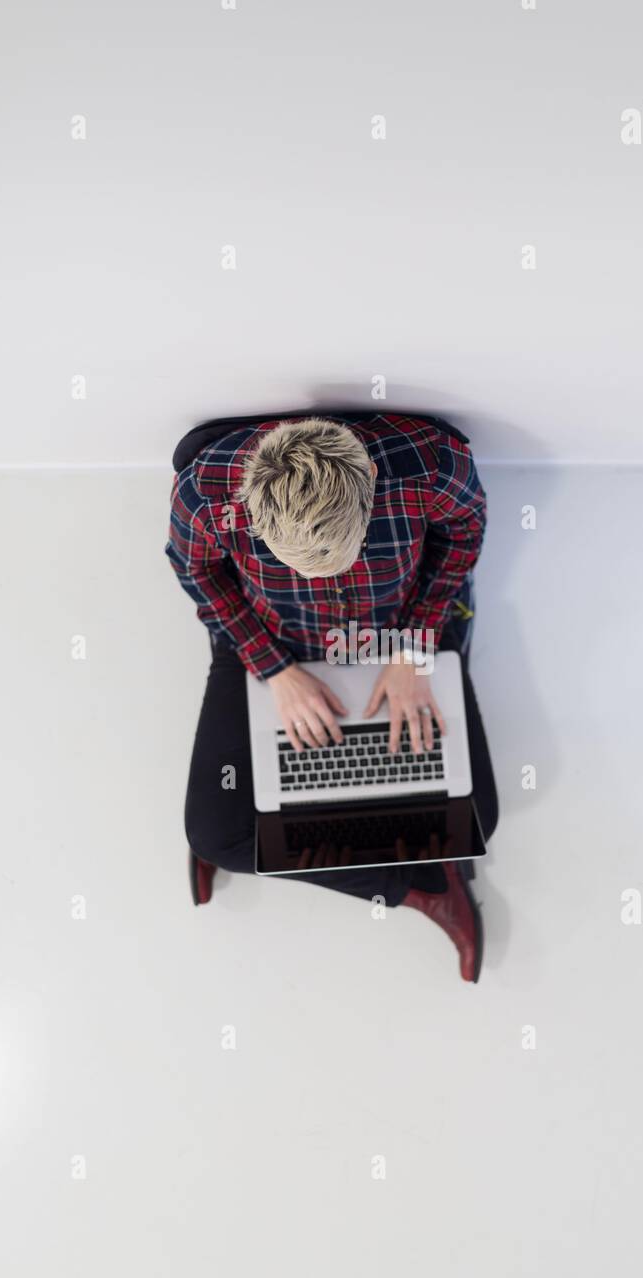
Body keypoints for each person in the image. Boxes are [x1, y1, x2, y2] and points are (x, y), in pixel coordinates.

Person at [166, 413, 498, 982]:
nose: (321, 581)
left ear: (371, 476)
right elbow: (194, 570)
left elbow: (464, 535)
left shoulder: (435, 465)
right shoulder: (207, 491)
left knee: (475, 822)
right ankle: (419, 888)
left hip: (397, 630)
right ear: (248, 503)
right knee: (217, 837)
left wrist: (413, 649)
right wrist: (274, 669)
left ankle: (278, 826)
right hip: (274, 637)